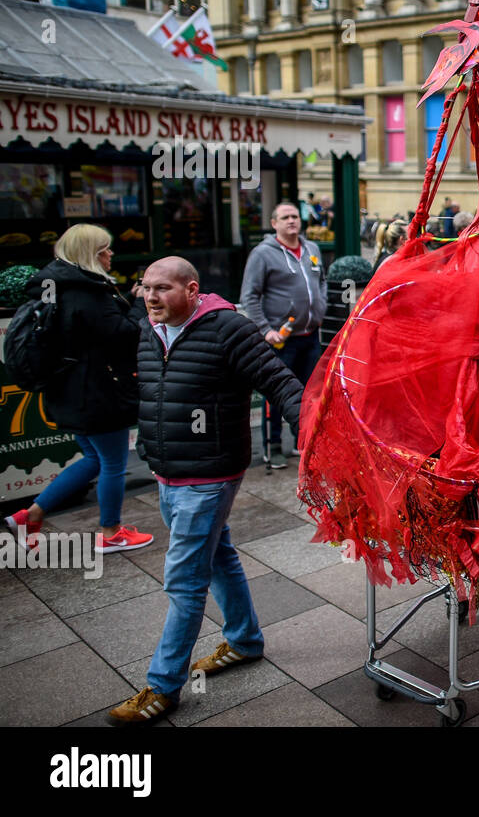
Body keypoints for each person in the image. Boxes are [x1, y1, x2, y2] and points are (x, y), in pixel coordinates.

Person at [107, 257, 304, 725]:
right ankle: (245, 640)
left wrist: (313, 436)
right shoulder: (149, 329)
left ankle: (162, 686)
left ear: (192, 289)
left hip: (210, 476)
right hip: (168, 471)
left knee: (183, 581)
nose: (150, 297)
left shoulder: (227, 328)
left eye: (162, 288)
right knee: (218, 556)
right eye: (145, 287)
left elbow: (280, 382)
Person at [3, 225, 153, 552]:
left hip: (67, 391)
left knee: (92, 459)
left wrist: (125, 301)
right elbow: (123, 337)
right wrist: (140, 306)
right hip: (96, 394)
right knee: (113, 463)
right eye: (104, 249)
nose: (111, 254)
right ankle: (111, 532)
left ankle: (30, 515)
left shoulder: (58, 286)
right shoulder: (88, 292)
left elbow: (91, 330)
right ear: (90, 255)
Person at [239, 201, 327, 468]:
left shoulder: (312, 248)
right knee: (277, 395)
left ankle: (302, 442)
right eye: (285, 217)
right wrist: (266, 330)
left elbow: (320, 281)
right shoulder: (262, 254)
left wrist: (320, 305)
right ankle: (274, 446)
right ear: (274, 223)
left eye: (294, 216)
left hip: (310, 335)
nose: (291, 221)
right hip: (281, 340)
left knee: (308, 393)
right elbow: (249, 296)